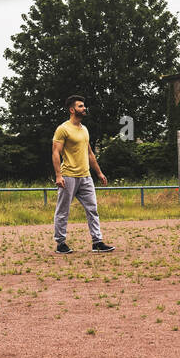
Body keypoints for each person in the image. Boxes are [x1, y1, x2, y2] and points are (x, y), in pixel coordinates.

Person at [52, 95, 114, 254]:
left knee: (92, 209)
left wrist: (99, 173)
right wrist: (58, 176)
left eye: (84, 106)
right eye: (80, 106)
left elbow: (90, 154)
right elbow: (55, 152)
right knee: (63, 210)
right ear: (72, 110)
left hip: (85, 177)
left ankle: (97, 242)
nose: (84, 108)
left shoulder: (84, 129)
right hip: (68, 176)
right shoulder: (63, 129)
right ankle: (61, 243)